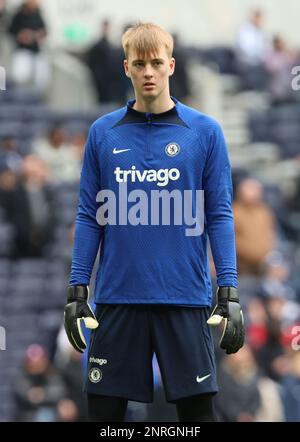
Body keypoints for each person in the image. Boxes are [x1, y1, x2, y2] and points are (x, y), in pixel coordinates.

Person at [64, 23, 244, 422]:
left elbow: (220, 213)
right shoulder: (102, 133)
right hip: (117, 299)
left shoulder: (205, 132)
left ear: (171, 66)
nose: (148, 71)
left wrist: (228, 289)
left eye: (157, 63)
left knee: (198, 418)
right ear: (127, 67)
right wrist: (79, 288)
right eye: (140, 63)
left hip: (185, 299)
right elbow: (88, 216)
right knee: (103, 418)